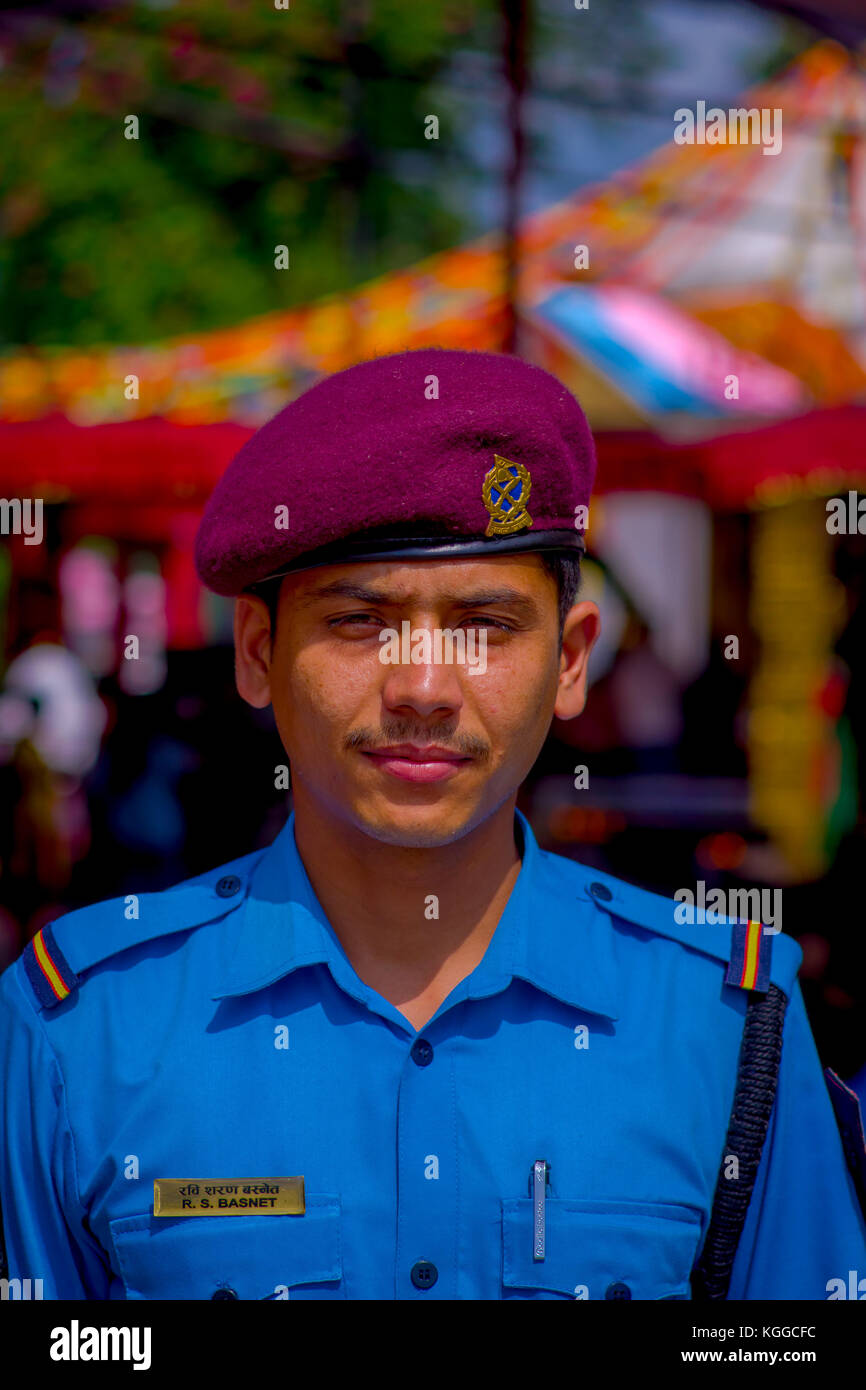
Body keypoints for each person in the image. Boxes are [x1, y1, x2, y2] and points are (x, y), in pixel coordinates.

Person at [1, 348, 864, 1301]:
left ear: (571, 662)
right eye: (361, 622)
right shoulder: (80, 1032)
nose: (421, 687)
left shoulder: (724, 1025)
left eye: (484, 625)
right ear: (257, 652)